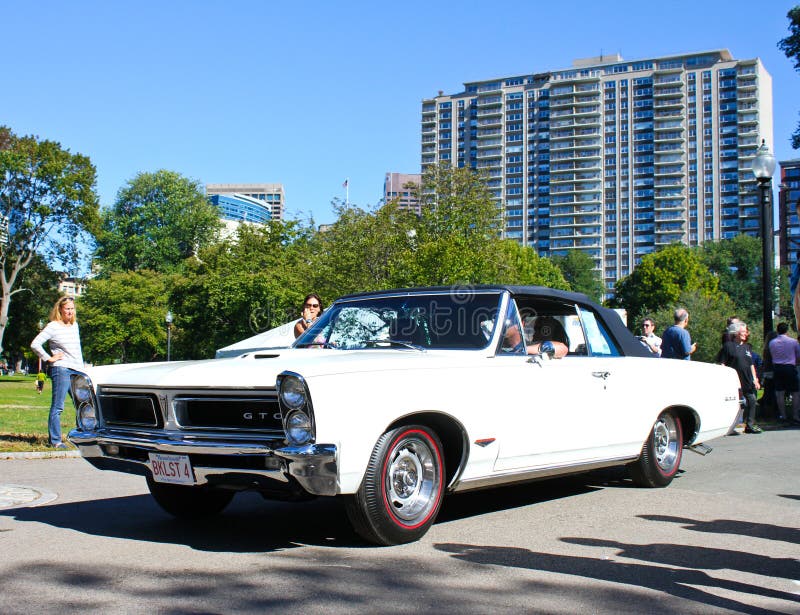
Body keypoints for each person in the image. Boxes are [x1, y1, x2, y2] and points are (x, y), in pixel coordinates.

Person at [31, 297, 84, 449]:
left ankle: (83, 438)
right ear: (60, 309)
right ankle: (56, 441)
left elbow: (77, 351)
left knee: (82, 405)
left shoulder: (75, 325)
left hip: (77, 369)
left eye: (72, 308)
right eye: (67, 308)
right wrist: (49, 358)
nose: (70, 311)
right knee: (58, 406)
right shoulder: (53, 326)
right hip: (61, 369)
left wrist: (82, 368)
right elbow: (35, 344)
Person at [718, 321, 761, 434]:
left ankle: (750, 425)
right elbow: (722, 363)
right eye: (743, 332)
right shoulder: (728, 346)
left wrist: (755, 379)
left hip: (747, 380)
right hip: (734, 381)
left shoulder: (747, 347)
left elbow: (751, 364)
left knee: (752, 400)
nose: (746, 334)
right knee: (733, 404)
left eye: (746, 332)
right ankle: (729, 427)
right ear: (735, 333)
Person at [768, 322, 800, 424]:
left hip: (777, 367)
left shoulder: (772, 342)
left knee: (779, 393)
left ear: (777, 330)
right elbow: (798, 355)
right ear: (787, 331)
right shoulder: (794, 342)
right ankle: (795, 415)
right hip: (790, 367)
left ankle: (783, 415)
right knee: (795, 392)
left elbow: (771, 354)